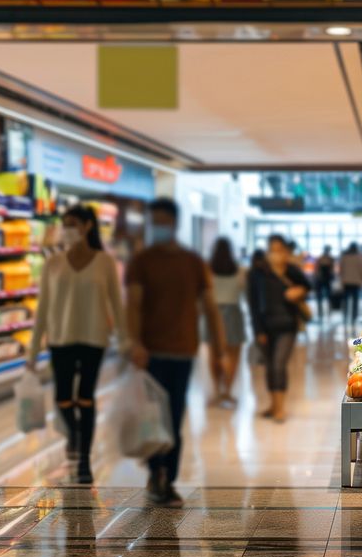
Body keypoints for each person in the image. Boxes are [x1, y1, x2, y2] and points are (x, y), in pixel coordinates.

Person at [127, 198, 227, 506]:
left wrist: (219, 348)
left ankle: (165, 478)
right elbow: (133, 304)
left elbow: (210, 307)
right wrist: (135, 343)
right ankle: (156, 475)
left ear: (174, 223)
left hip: (183, 350)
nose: (158, 226)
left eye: (162, 221)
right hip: (151, 352)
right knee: (153, 417)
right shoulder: (142, 261)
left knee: (173, 417)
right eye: (153, 220)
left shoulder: (192, 261)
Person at [27, 204, 127, 485]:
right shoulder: (53, 263)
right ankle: (75, 435)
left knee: (85, 397)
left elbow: (117, 305)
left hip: (94, 338)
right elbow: (43, 308)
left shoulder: (104, 262)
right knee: (62, 398)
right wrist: (33, 351)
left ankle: (83, 460)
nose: (66, 229)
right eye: (64, 224)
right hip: (60, 339)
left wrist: (126, 340)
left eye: (72, 224)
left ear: (87, 227)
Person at [248, 235, 310, 423]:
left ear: (286, 252)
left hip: (287, 326)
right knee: (269, 367)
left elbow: (308, 285)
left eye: (280, 250)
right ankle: (273, 405)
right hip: (265, 327)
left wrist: (298, 291)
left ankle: (280, 407)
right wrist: (258, 330)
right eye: (272, 250)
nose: (276, 254)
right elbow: (253, 304)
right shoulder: (257, 273)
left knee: (278, 364)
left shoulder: (291, 270)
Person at [208, 237, 246, 407]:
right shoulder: (240, 271)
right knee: (233, 355)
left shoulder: (207, 270)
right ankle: (227, 392)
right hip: (233, 313)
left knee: (214, 355)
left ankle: (217, 391)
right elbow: (244, 294)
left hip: (212, 314)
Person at [339, 243, 362, 324]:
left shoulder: (345, 257)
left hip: (346, 282)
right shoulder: (359, 258)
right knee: (355, 301)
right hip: (356, 282)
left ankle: (345, 316)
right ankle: (353, 318)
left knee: (346, 300)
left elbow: (341, 269)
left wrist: (341, 279)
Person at [314, 246, 335, 321]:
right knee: (327, 297)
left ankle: (324, 312)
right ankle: (325, 312)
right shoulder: (329, 259)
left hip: (322, 279)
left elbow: (316, 269)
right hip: (324, 280)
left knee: (324, 297)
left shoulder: (322, 258)